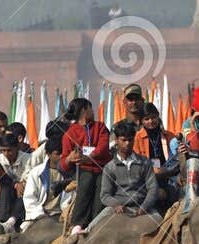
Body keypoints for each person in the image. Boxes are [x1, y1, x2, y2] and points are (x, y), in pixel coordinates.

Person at [60, 97, 111, 231]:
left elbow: (103, 147)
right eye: (91, 108)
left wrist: (88, 157)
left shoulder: (100, 127)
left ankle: (97, 222)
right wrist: (70, 158)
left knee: (102, 187)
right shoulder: (69, 133)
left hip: (102, 169)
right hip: (82, 171)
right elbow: (64, 164)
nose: (93, 112)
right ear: (84, 110)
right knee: (87, 181)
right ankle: (77, 224)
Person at [97, 122, 160, 223]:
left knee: (160, 224)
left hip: (142, 207)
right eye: (124, 140)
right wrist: (116, 204)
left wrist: (144, 206)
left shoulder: (145, 162)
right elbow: (105, 195)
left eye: (130, 140)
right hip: (118, 208)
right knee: (94, 227)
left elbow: (153, 188)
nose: (127, 143)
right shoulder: (109, 167)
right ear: (116, 140)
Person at [135, 102, 182, 205]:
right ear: (141, 121)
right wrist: (152, 170)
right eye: (146, 119)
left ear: (158, 116)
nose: (151, 121)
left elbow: (176, 160)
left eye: (153, 117)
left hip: (169, 176)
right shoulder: (137, 138)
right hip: (148, 179)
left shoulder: (169, 135)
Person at [0, 130, 29, 231]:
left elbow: (29, 179)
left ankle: (11, 221)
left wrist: (20, 184)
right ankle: (4, 220)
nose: (6, 153)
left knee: (24, 192)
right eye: (3, 150)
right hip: (7, 192)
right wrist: (15, 184)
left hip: (23, 191)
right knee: (5, 189)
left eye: (9, 150)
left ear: (17, 148)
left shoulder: (28, 159)